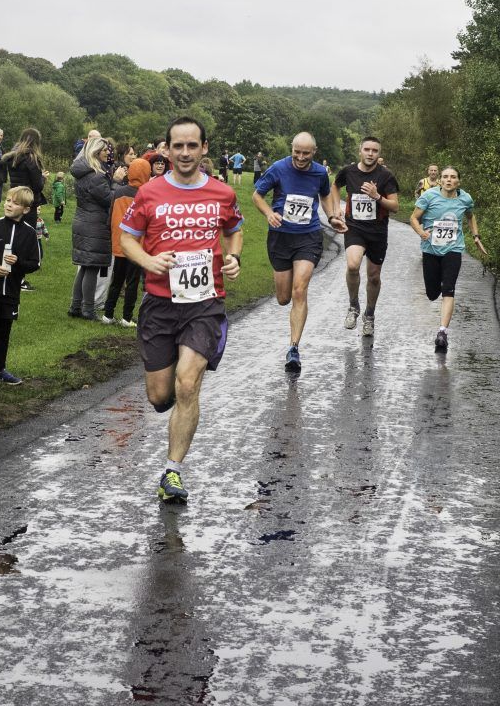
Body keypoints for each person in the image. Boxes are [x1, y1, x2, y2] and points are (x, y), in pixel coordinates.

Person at [118, 116, 243, 504]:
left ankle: (172, 472)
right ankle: (175, 402)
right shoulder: (149, 193)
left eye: (193, 145)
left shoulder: (222, 193)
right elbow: (128, 238)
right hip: (159, 303)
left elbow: (234, 229)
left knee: (188, 383)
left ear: (204, 148)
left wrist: (234, 257)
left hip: (204, 303)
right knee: (160, 396)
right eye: (178, 146)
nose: (185, 153)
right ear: (167, 150)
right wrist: (148, 261)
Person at [251, 132, 347, 371]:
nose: (301, 157)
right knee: (284, 298)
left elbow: (325, 195)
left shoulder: (319, 172)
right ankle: (291, 323)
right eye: (297, 152)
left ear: (314, 152)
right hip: (281, 238)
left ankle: (294, 348)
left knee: (300, 289)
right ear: (292, 148)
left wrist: (332, 216)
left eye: (306, 153)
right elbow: (257, 195)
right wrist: (268, 213)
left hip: (309, 236)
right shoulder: (278, 168)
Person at [410, 166, 488, 351]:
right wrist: (421, 232)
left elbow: (470, 216)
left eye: (453, 177)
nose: (448, 180)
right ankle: (436, 289)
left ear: (458, 181)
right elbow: (414, 218)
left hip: (454, 249)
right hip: (430, 249)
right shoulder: (429, 196)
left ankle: (442, 332)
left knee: (449, 288)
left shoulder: (465, 198)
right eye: (445, 177)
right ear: (440, 180)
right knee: (432, 293)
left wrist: (476, 236)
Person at [336, 136, 400, 337]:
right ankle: (353, 306)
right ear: (360, 150)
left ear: (379, 154)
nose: (370, 153)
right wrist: (334, 210)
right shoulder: (348, 172)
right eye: (367, 149)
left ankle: (369, 315)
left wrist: (377, 196)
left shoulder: (386, 176)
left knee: (373, 277)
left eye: (375, 151)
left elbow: (396, 207)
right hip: (354, 227)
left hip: (377, 231)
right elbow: (333, 187)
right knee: (353, 265)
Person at [0, 186, 40, 387]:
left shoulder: (29, 234)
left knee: (5, 329)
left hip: (12, 291)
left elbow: (35, 263)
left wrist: (17, 263)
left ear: (26, 210)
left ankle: (1, 369)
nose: (9, 204)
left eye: (15, 203)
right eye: (8, 200)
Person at [68, 137, 126, 320]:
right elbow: (109, 199)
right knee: (91, 267)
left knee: (85, 266)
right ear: (96, 152)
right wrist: (116, 183)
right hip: (94, 224)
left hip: (82, 220)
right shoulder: (97, 176)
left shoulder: (83, 172)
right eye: (104, 151)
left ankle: (75, 306)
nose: (108, 153)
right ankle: (88, 309)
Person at [103, 158, 150, 327]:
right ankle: (127, 317)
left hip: (119, 242)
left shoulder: (118, 191)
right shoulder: (146, 195)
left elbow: (110, 218)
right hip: (136, 245)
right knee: (132, 282)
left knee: (117, 280)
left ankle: (108, 315)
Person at [3, 128, 47, 210]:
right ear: (36, 142)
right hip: (28, 201)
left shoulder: (13, 157)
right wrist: (43, 177)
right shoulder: (32, 158)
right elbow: (38, 186)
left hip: (15, 198)